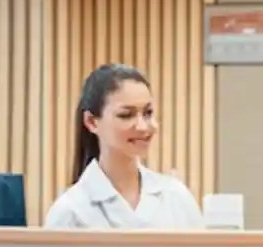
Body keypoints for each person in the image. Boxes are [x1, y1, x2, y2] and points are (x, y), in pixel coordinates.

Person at [45, 63, 204, 230]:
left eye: (148, 113)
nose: (143, 126)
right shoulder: (70, 211)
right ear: (91, 122)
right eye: (126, 115)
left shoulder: (177, 197)